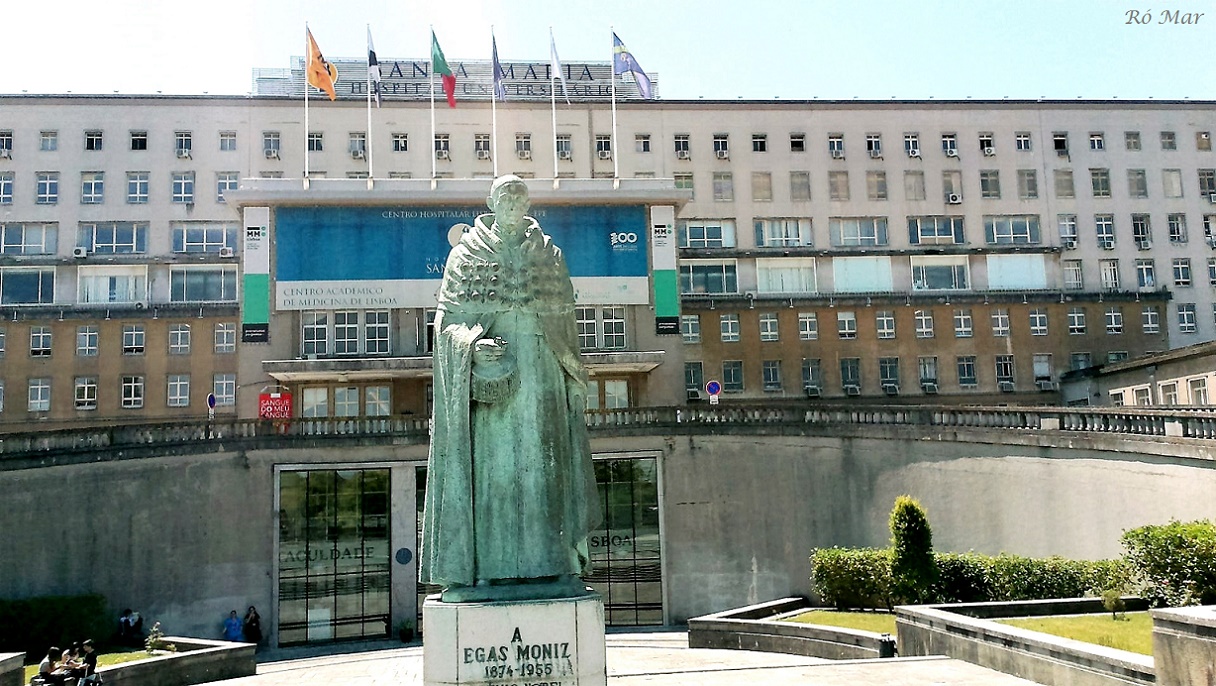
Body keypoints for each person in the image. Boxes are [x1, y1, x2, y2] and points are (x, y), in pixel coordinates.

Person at [419, 175, 600, 603]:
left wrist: (572, 381)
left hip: (543, 377)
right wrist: (472, 347)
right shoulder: (464, 255)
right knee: (492, 476)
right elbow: (446, 324)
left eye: (521, 196)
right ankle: (483, 574)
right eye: (505, 196)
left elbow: (566, 324)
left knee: (546, 471)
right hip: (492, 384)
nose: (514, 203)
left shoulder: (550, 255)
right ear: (491, 202)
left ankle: (553, 566)